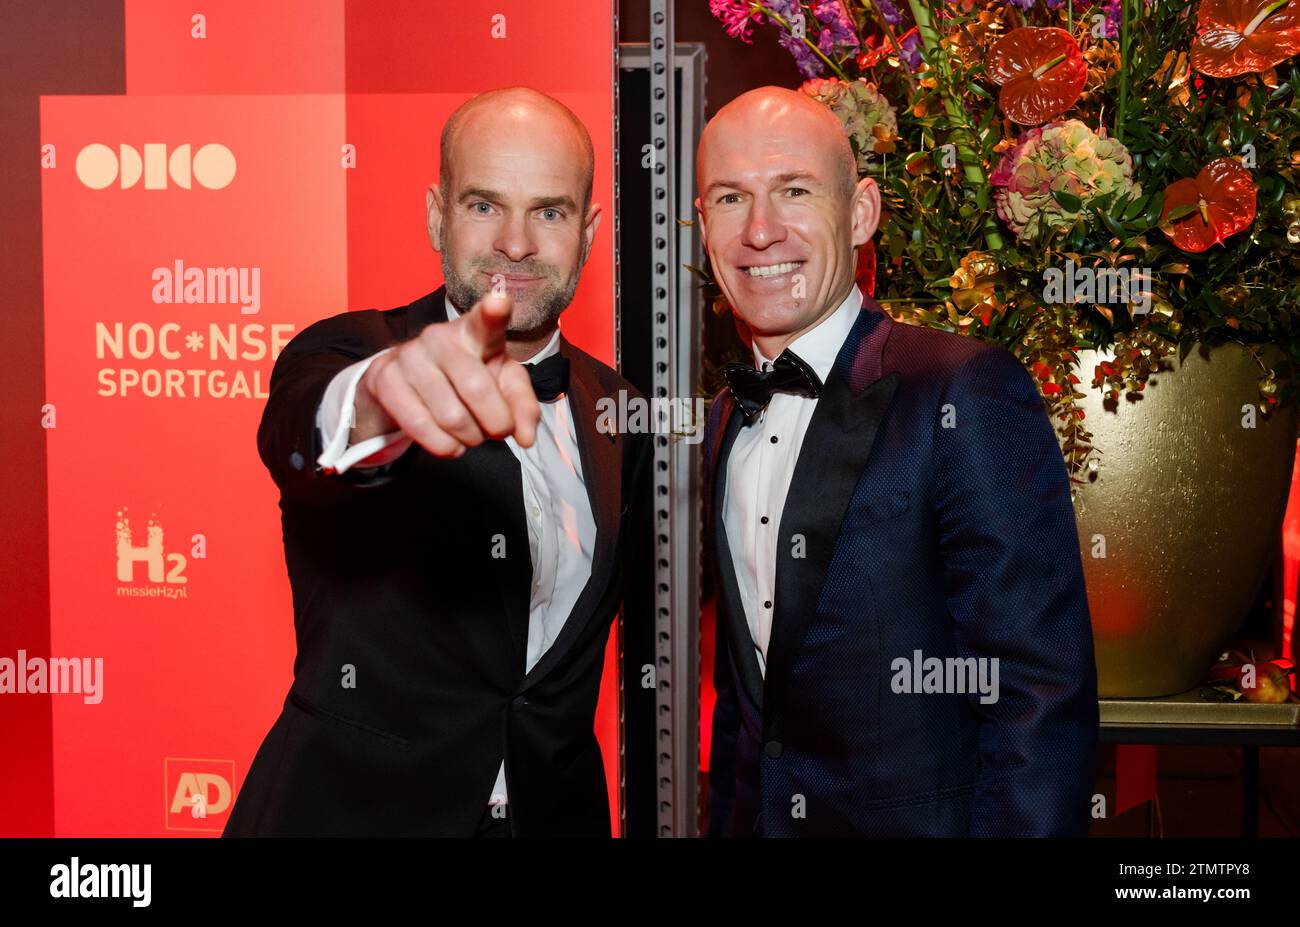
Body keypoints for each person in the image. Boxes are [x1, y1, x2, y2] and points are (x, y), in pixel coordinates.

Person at [224, 87, 649, 837]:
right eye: (485, 205)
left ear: (587, 233)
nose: (516, 244)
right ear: (436, 215)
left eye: (549, 212)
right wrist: (380, 399)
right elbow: (304, 431)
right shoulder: (352, 351)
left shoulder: (620, 410)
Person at [697, 87, 1098, 837]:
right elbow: (751, 706)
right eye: (729, 197)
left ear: (861, 213)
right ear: (702, 226)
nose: (759, 230)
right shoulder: (725, 418)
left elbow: (1039, 696)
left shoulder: (963, 389)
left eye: (793, 190)